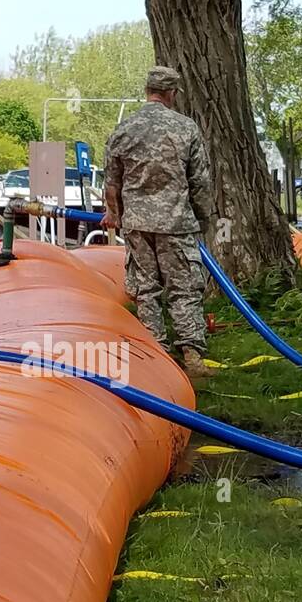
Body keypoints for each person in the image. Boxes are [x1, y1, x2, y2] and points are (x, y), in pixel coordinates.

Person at [101, 66, 217, 379]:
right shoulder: (185, 128)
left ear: (148, 90)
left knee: (146, 289)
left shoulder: (124, 129)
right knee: (183, 289)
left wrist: (114, 214)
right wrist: (204, 218)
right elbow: (200, 182)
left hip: (137, 224)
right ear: (172, 93)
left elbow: (111, 182)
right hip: (176, 222)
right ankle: (191, 355)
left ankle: (156, 356)